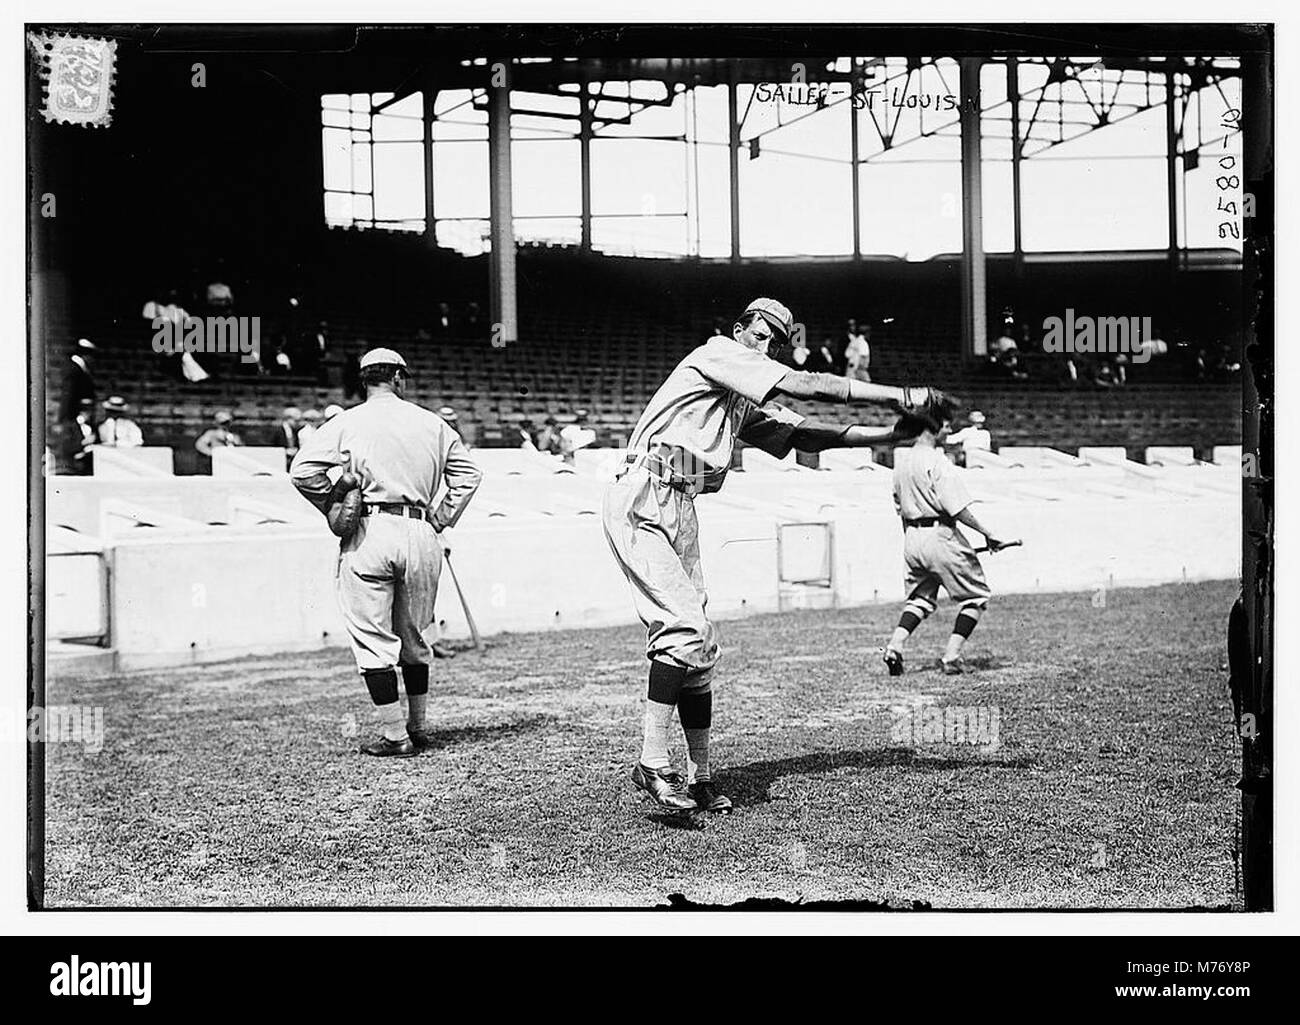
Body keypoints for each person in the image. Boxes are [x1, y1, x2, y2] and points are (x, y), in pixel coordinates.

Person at [603, 297, 947, 813]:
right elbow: (807, 384)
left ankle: (699, 778)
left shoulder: (740, 395)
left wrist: (887, 434)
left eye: (776, 342)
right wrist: (903, 393)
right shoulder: (717, 353)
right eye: (760, 334)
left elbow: (802, 432)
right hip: (644, 494)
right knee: (683, 631)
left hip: (682, 500)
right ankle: (653, 760)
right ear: (739, 329)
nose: (766, 346)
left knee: (701, 650)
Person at [290, 348, 482, 758]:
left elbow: (301, 470)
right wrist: (441, 517)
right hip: (418, 527)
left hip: (368, 528)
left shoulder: (346, 421)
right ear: (398, 378)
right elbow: (469, 475)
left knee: (372, 639)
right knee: (415, 638)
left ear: (365, 381)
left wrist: (335, 502)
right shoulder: (432, 423)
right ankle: (418, 725)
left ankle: (396, 735)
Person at [882, 400, 1018, 677]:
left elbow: (899, 508)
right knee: (975, 598)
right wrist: (988, 534)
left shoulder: (901, 463)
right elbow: (956, 508)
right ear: (934, 428)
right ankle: (952, 656)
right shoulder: (937, 461)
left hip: (912, 538)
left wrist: (914, 541)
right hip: (941, 534)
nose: (949, 430)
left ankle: (895, 646)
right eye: (946, 425)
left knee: (920, 599)